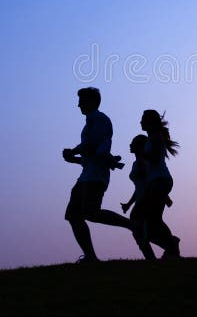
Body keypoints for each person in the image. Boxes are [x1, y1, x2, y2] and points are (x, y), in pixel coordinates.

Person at [63, 87, 132, 263]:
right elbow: (91, 153)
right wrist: (75, 158)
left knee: (91, 213)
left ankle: (132, 225)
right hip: (87, 175)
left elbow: (93, 147)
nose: (78, 104)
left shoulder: (99, 120)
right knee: (73, 215)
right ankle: (91, 257)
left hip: (95, 177)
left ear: (93, 102)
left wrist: (73, 151)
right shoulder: (91, 122)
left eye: (82, 100)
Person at [120, 134, 178, 258]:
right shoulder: (137, 163)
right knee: (145, 227)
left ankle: (168, 246)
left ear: (140, 146)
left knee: (146, 224)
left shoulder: (143, 162)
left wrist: (165, 196)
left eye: (133, 143)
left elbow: (149, 180)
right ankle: (168, 247)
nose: (130, 145)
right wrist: (129, 204)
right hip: (142, 197)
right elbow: (138, 187)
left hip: (148, 195)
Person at [136, 109, 181, 259]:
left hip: (160, 180)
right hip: (156, 181)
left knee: (152, 218)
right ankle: (171, 245)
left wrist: (141, 152)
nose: (140, 122)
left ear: (149, 122)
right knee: (149, 218)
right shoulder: (152, 138)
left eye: (143, 119)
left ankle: (171, 245)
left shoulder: (156, 138)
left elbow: (155, 159)